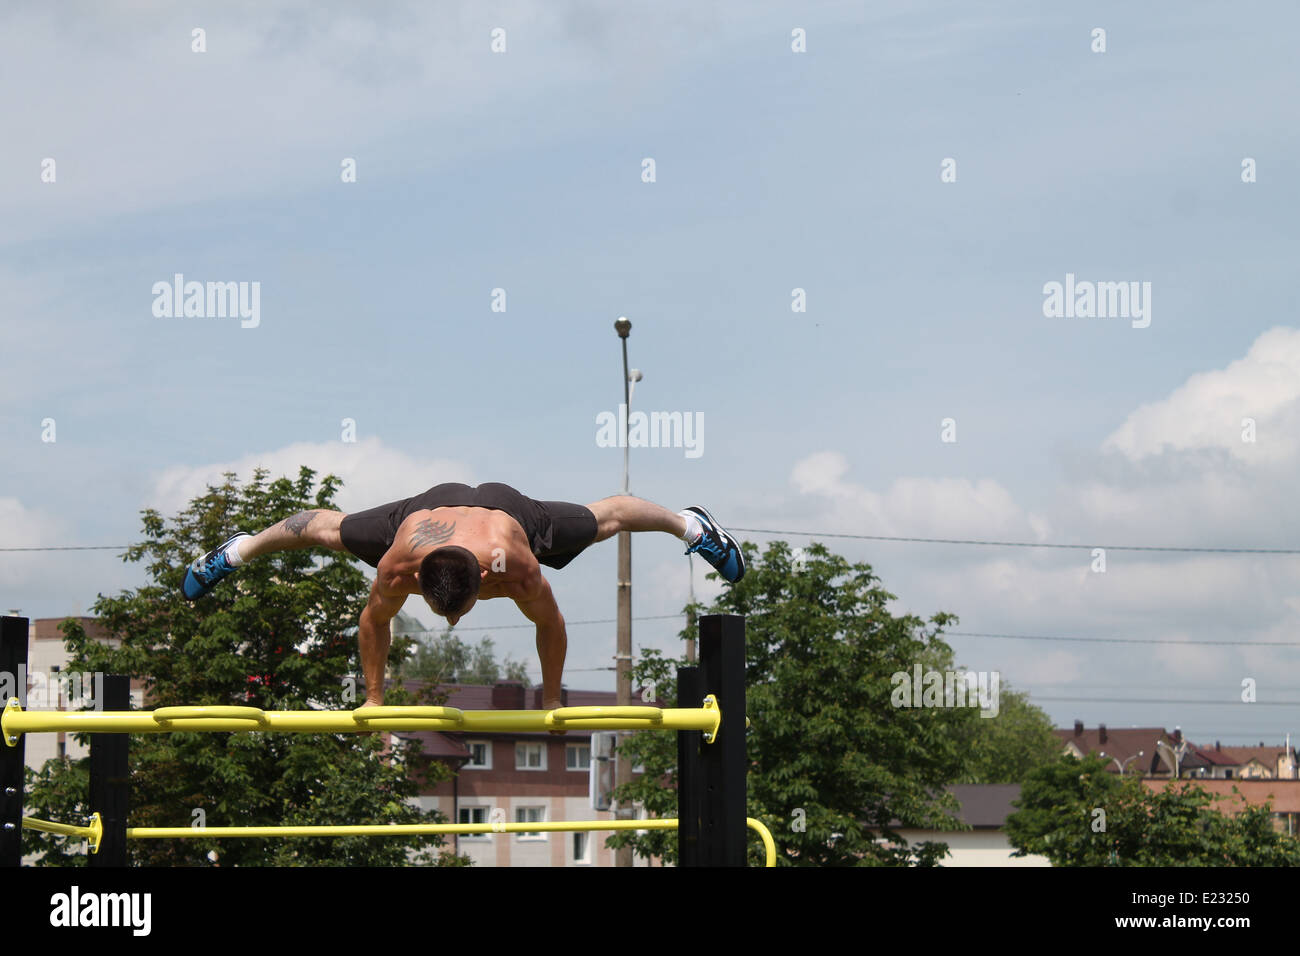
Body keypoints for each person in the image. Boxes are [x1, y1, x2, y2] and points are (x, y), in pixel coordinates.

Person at [182, 481, 744, 710]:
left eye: (458, 613)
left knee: (606, 520)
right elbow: (374, 624)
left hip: (504, 511)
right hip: (422, 515)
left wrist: (552, 697)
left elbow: (550, 625)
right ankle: (238, 550)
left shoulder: (518, 568)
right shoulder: (395, 567)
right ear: (416, 583)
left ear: (484, 584)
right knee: (326, 530)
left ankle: (689, 525)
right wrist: (374, 699)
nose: (451, 624)